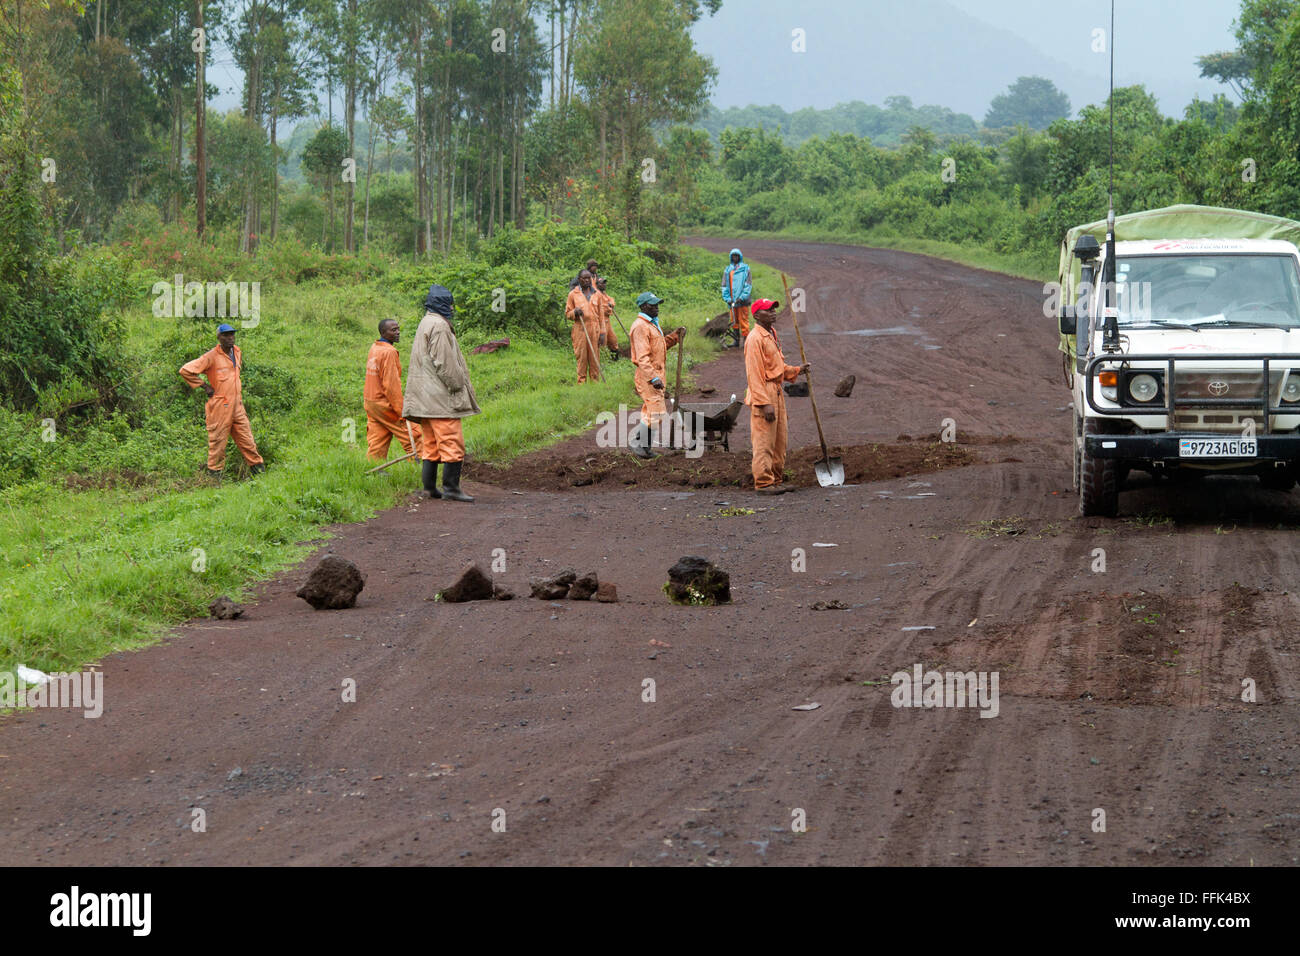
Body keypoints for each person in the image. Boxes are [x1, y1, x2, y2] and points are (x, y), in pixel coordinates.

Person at [402, 285, 481, 502]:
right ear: (443, 305)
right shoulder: (439, 326)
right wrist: (457, 387)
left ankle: (429, 489)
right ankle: (451, 489)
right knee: (452, 442)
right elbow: (445, 363)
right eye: (450, 304)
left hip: (424, 398)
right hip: (439, 397)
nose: (452, 308)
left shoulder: (426, 321)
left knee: (431, 444)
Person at [178, 323, 266, 479]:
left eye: (232, 334)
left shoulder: (237, 352)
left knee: (248, 442)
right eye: (226, 335)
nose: (230, 338)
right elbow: (185, 370)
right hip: (220, 406)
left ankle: (260, 476)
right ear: (219, 337)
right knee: (218, 445)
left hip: (237, 406)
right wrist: (204, 386)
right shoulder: (211, 356)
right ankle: (214, 482)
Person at [743, 299, 808, 494]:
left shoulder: (771, 334)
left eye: (773, 309)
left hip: (777, 390)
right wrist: (764, 403)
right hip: (764, 392)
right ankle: (763, 483)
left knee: (780, 439)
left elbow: (776, 367)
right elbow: (754, 374)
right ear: (756, 315)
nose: (773, 313)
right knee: (764, 440)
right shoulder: (754, 338)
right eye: (767, 310)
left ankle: (776, 479)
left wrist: (797, 370)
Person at [627, 292, 686, 459]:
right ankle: (638, 444)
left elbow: (659, 347)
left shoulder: (652, 324)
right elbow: (642, 357)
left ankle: (644, 447)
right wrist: (653, 378)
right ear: (644, 306)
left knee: (652, 411)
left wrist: (674, 337)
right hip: (648, 376)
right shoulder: (640, 326)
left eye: (657, 304)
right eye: (653, 305)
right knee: (656, 412)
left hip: (657, 374)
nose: (657, 307)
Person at [363, 318, 422, 462]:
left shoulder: (375, 347)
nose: (397, 332)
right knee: (414, 435)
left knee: (378, 436)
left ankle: (374, 468)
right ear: (383, 332)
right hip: (385, 404)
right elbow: (391, 386)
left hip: (371, 403)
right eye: (393, 330)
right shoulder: (389, 352)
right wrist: (402, 411)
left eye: (398, 329)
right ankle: (420, 468)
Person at [565, 269, 604, 383]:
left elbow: (601, 315)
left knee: (594, 357)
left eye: (589, 278)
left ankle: (595, 382)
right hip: (580, 329)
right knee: (581, 357)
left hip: (595, 329)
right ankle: (581, 383)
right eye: (584, 278)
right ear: (579, 280)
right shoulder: (573, 294)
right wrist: (574, 312)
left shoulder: (597, 294)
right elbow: (567, 313)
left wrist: (602, 333)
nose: (587, 280)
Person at [721, 248, 752, 347]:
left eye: (737, 256)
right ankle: (736, 341)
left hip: (742, 301)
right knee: (734, 321)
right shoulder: (728, 270)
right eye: (733, 256)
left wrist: (742, 297)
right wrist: (727, 299)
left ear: (740, 257)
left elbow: (748, 285)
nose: (735, 258)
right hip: (732, 301)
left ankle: (746, 342)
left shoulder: (745, 269)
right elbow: (724, 286)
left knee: (743, 321)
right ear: (731, 257)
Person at [595, 276, 619, 362]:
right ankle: (602, 360)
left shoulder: (604, 293)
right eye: (602, 283)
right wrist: (609, 308)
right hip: (601, 321)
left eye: (605, 283)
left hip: (607, 321)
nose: (604, 285)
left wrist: (611, 304)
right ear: (597, 284)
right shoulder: (596, 294)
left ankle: (615, 360)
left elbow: (611, 300)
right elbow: (603, 309)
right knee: (602, 341)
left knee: (613, 340)